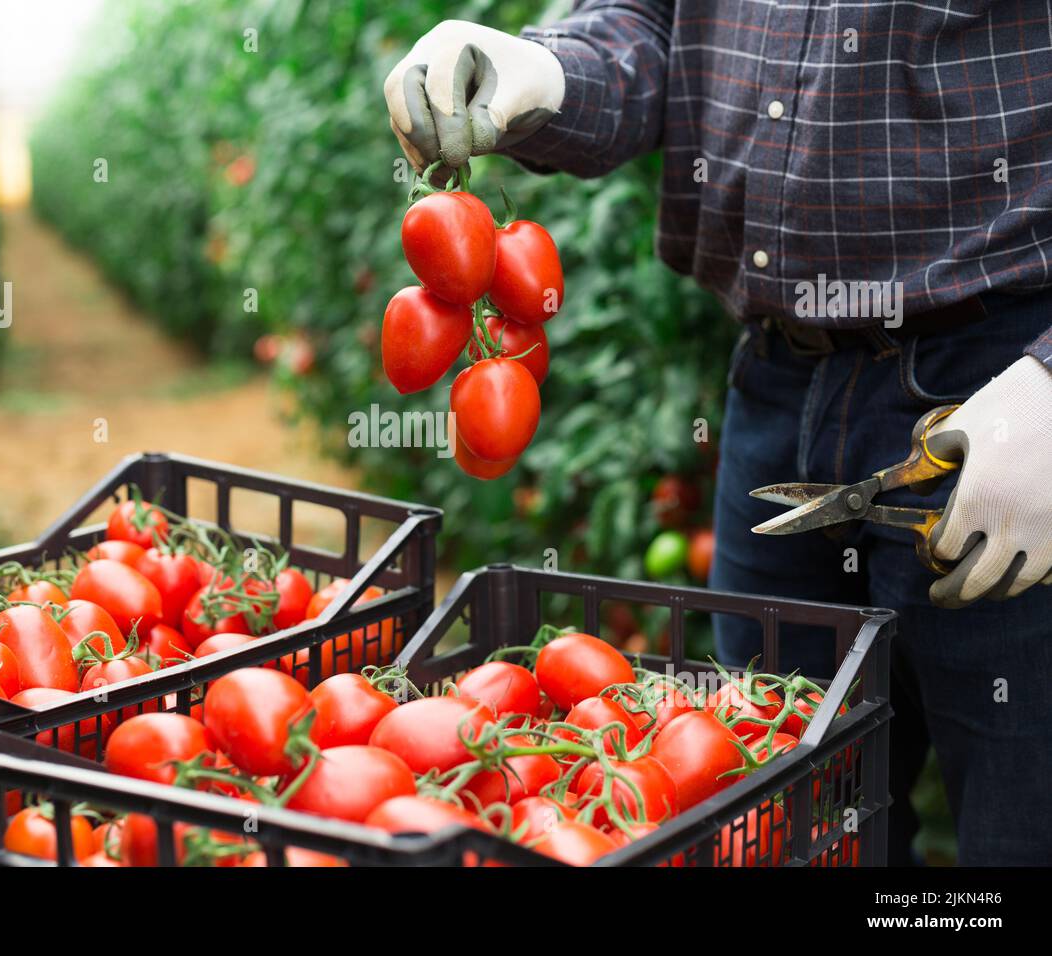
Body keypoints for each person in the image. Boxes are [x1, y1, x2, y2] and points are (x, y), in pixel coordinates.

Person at [384, 4, 1052, 866]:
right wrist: (544, 73)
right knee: (793, 835)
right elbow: (648, 25)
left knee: (1023, 835)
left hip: (1005, 410)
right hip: (777, 390)